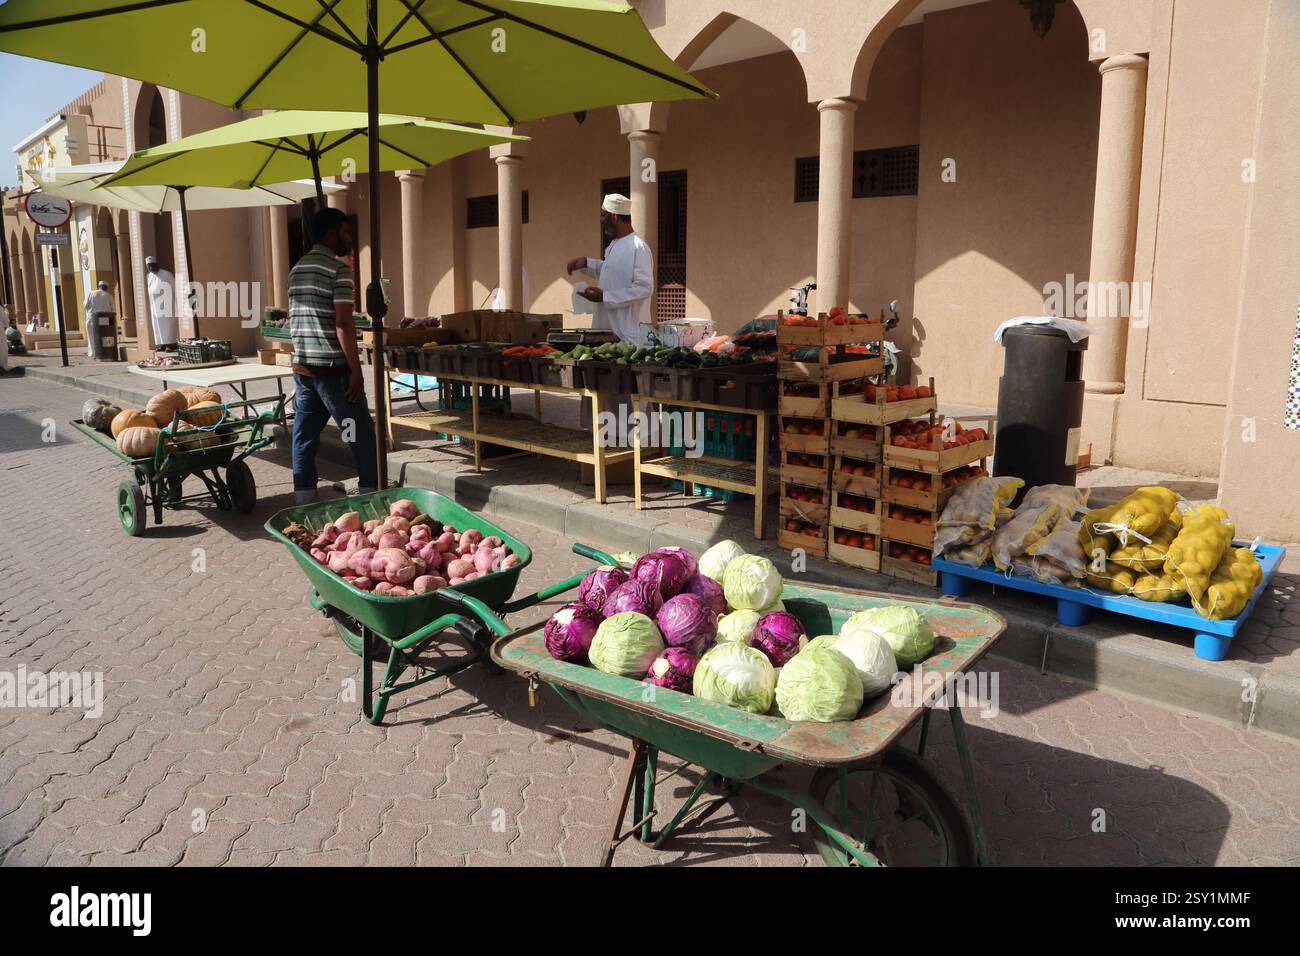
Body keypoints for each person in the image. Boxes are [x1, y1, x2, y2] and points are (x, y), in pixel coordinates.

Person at [289, 207, 376, 505]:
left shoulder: (297, 268)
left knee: (304, 439)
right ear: (331, 232)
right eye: (345, 231)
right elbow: (343, 323)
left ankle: (304, 502)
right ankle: (370, 497)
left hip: (303, 372)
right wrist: (356, 368)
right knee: (358, 436)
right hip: (333, 373)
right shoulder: (339, 271)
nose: (349, 238)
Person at [566, 193, 654, 344]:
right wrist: (586, 263)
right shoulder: (615, 244)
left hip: (627, 338)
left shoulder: (638, 247)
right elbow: (614, 271)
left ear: (614, 217)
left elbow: (644, 287)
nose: (600, 220)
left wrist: (605, 297)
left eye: (603, 215)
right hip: (606, 334)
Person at [145, 255, 178, 352]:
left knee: (168, 323)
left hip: (167, 304)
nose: (151, 267)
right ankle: (162, 343)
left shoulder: (167, 274)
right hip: (154, 305)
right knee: (157, 324)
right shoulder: (149, 276)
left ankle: (171, 344)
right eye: (149, 266)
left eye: (152, 265)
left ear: (156, 264)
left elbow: (174, 287)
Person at [83, 280, 115, 359]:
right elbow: (112, 310)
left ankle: (93, 353)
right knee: (103, 337)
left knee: (91, 337)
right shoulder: (109, 296)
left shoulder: (91, 293)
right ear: (106, 288)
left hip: (91, 319)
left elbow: (86, 305)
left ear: (99, 286)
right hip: (105, 320)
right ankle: (102, 352)